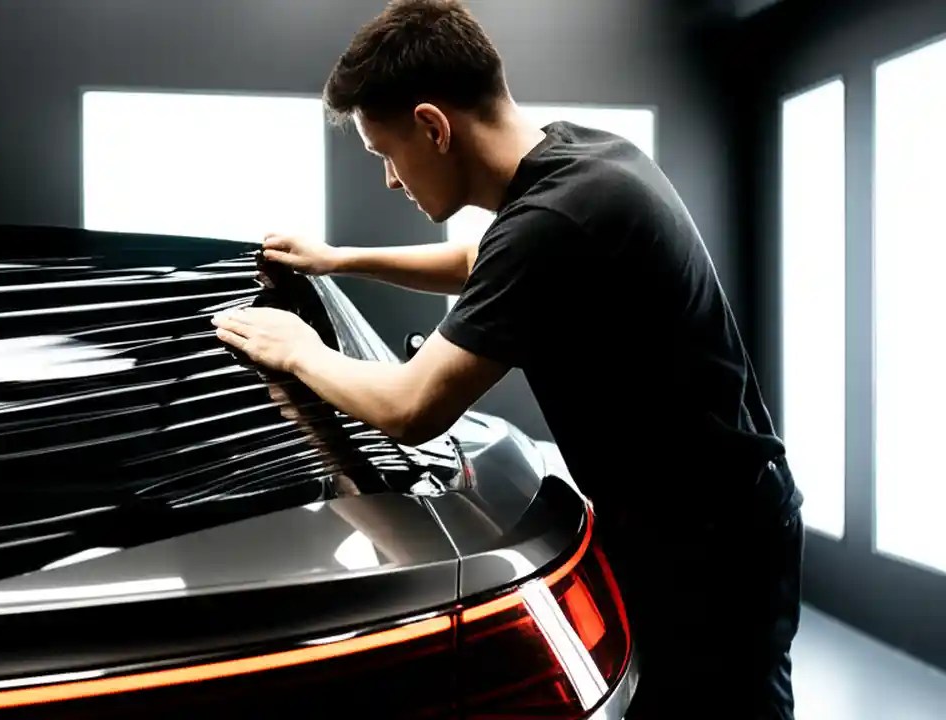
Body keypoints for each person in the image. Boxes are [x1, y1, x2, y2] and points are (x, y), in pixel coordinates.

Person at [212, 1, 803, 717]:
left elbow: (411, 408)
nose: (392, 181)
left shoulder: (554, 221)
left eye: (385, 154)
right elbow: (482, 259)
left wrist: (299, 351)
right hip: (717, 522)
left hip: (709, 553)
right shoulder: (581, 161)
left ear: (433, 126)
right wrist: (342, 259)